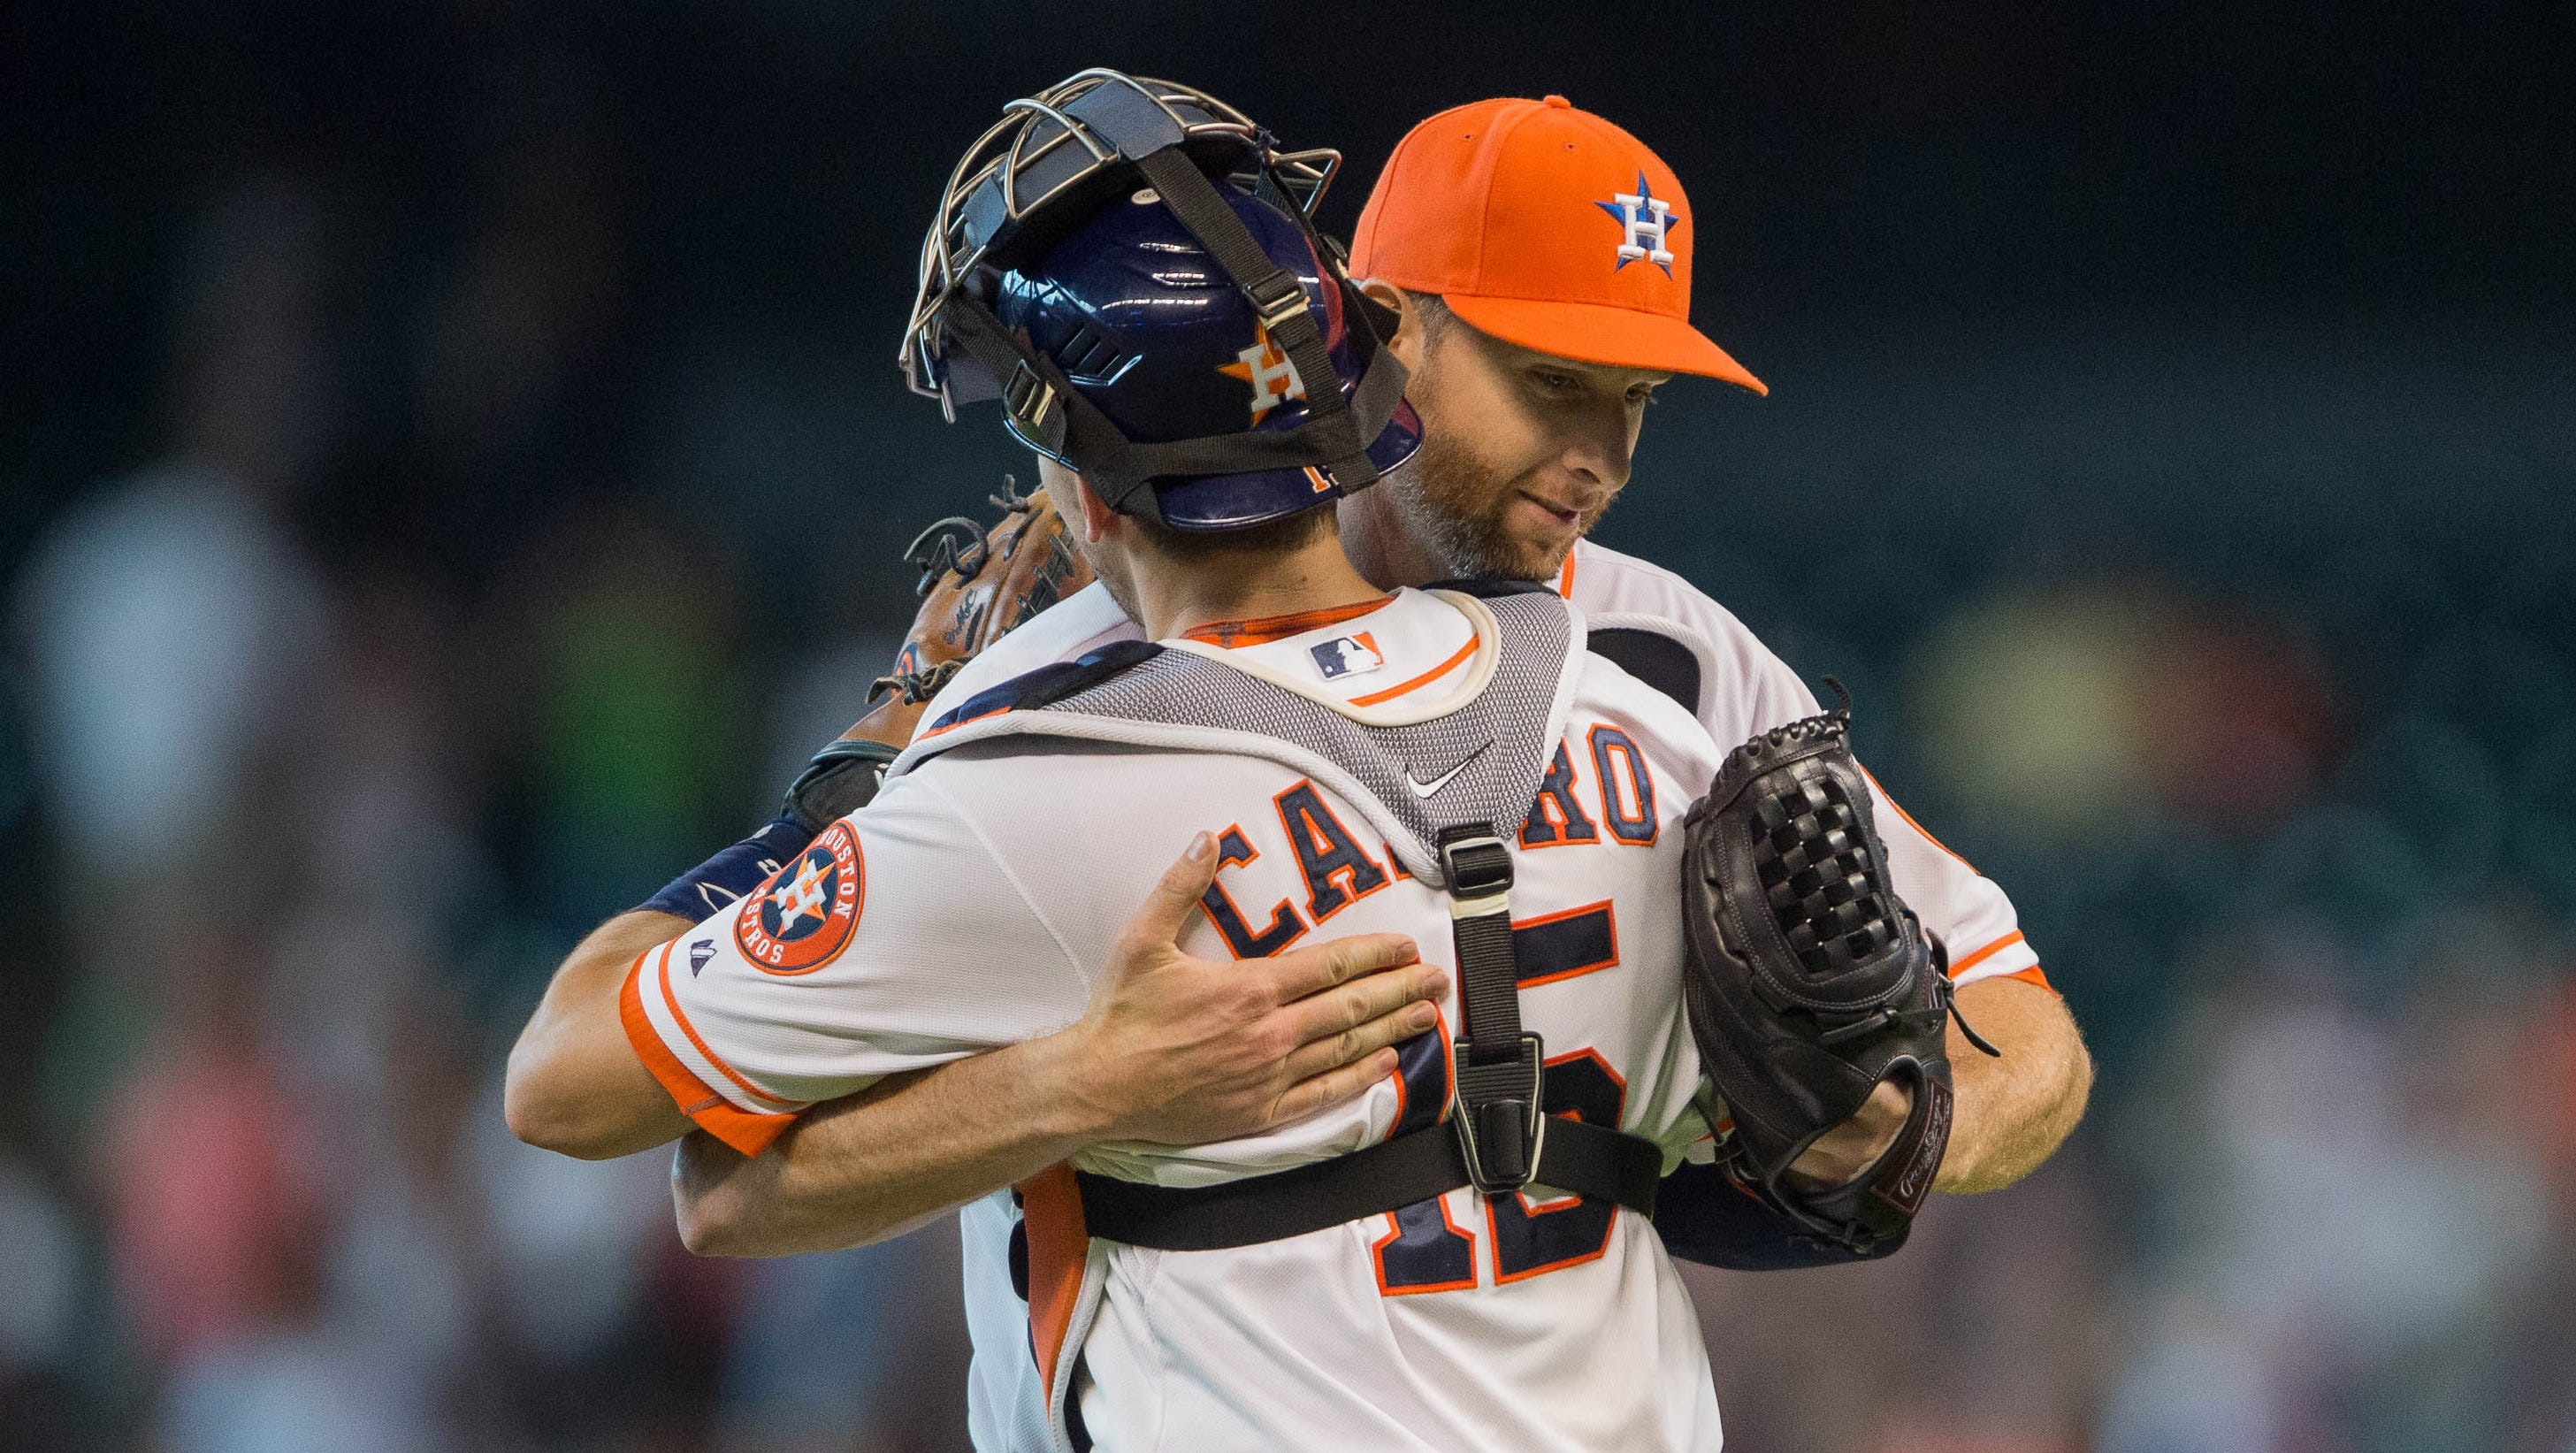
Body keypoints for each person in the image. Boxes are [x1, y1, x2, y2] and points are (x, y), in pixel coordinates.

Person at [508, 79, 2090, 1449]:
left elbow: (2029, 1039)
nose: (1601, 456)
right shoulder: (1083, 684)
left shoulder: (1668, 662)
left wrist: (1861, 1129)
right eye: (1551, 381)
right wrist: (1079, 1077)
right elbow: (735, 1194)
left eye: (1634, 400)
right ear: (1380, 329)